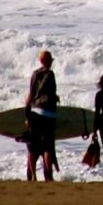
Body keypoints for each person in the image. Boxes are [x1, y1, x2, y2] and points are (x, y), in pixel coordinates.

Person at [24, 50, 59, 181]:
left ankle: (33, 176)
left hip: (35, 112)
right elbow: (50, 93)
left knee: (33, 147)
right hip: (49, 114)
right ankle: (48, 176)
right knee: (48, 146)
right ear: (47, 61)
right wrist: (55, 97)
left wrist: (27, 114)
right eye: (50, 60)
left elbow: (31, 94)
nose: (51, 63)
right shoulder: (50, 74)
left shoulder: (35, 74)